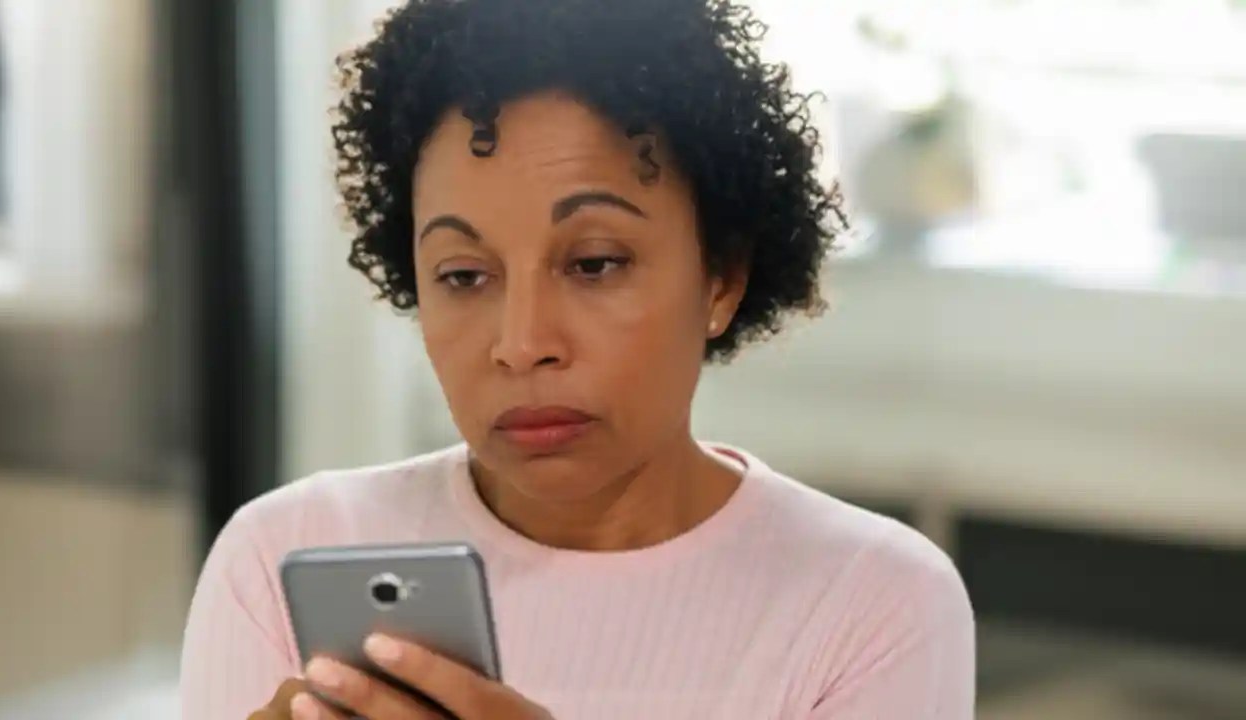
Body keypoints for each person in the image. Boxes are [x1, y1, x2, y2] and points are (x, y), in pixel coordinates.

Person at [180, 0, 975, 718]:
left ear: (722, 278)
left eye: (594, 263)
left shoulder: (872, 604)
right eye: (463, 276)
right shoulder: (282, 559)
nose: (523, 343)